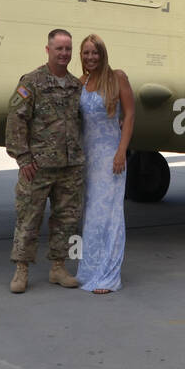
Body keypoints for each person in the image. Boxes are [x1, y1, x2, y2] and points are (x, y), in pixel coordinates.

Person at [5, 29, 85, 293]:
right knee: (29, 218)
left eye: (68, 49)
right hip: (37, 167)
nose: (64, 54)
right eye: (59, 48)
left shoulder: (76, 86)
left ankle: (58, 268)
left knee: (67, 219)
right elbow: (16, 118)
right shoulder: (32, 82)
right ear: (48, 49)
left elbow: (82, 124)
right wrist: (23, 157)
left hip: (69, 167)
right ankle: (21, 270)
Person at [76, 34, 135, 295]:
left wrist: (121, 151)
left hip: (111, 157)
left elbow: (130, 114)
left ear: (103, 54)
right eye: (86, 53)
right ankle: (89, 270)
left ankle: (108, 276)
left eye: (95, 53)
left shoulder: (117, 78)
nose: (90, 57)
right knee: (90, 217)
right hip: (87, 158)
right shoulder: (81, 82)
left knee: (108, 216)